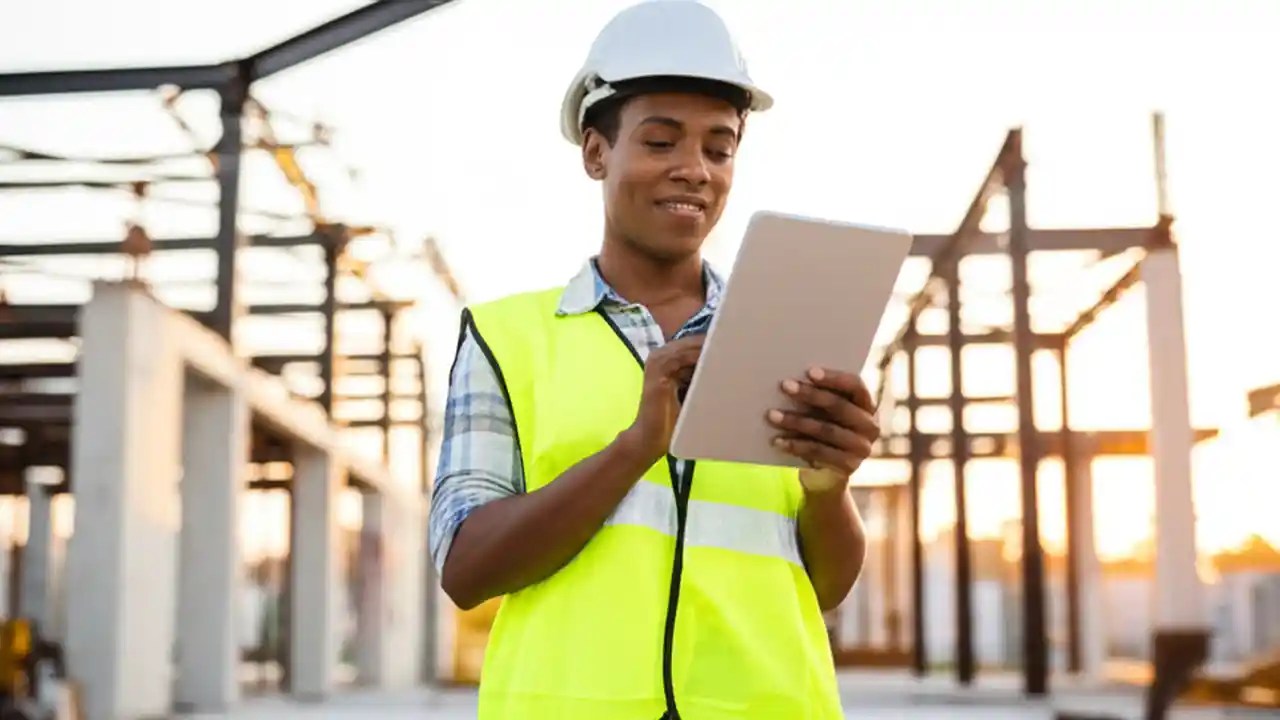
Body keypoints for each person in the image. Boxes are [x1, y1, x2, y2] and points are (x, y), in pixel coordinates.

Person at [428, 2, 876, 717]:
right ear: (596, 151)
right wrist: (635, 448)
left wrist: (830, 489)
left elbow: (818, 588)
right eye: (661, 142)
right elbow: (467, 567)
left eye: (719, 148)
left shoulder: (786, 335)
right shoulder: (508, 339)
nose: (694, 171)